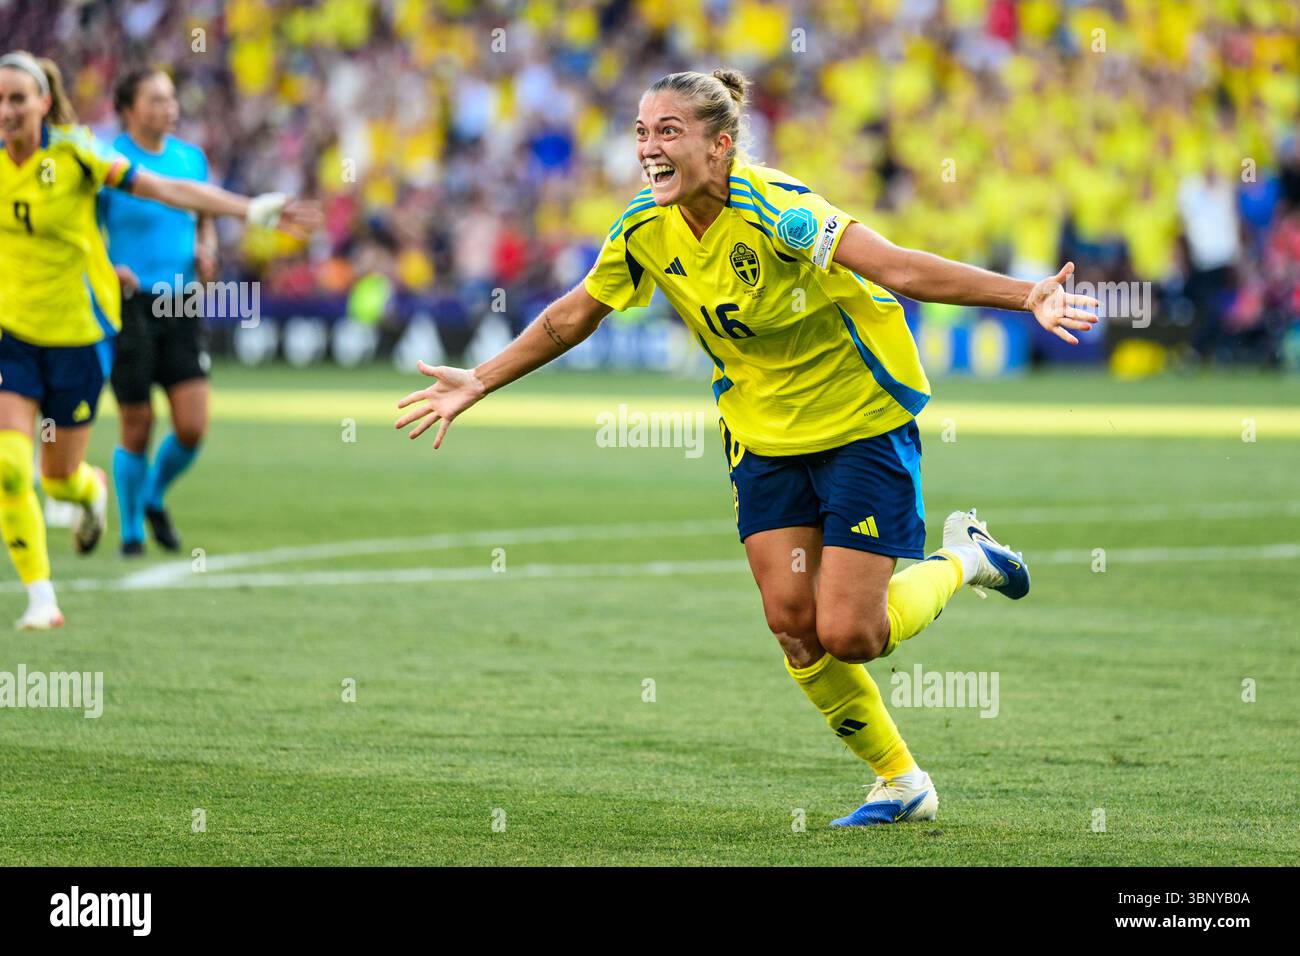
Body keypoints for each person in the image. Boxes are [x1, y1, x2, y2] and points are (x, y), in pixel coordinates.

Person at [395, 69, 1098, 826]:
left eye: (669, 132)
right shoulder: (643, 226)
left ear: (720, 144)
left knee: (851, 634)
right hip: (762, 436)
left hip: (861, 421)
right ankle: (901, 782)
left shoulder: (782, 214)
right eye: (641, 132)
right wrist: (481, 379)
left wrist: (1025, 292)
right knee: (795, 627)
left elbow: (897, 268)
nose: (649, 149)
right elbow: (575, 315)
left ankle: (968, 558)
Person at [0, 50, 319, 629]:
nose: (5, 110)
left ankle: (91, 491)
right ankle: (42, 597)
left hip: (81, 331)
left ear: (44, 101)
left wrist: (250, 211)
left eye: (17, 98)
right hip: (15, 334)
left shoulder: (79, 154)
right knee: (10, 466)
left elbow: (169, 192)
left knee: (62, 474)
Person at [99, 67, 216, 556]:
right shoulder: (107, 163)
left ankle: (152, 495)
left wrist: (208, 248)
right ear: (128, 108)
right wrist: (108, 268)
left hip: (183, 301)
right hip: (130, 302)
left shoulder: (191, 159)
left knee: (191, 426)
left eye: (171, 98)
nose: (169, 107)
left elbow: (205, 217)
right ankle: (129, 531)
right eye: (156, 99)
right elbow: (84, 231)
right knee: (138, 421)